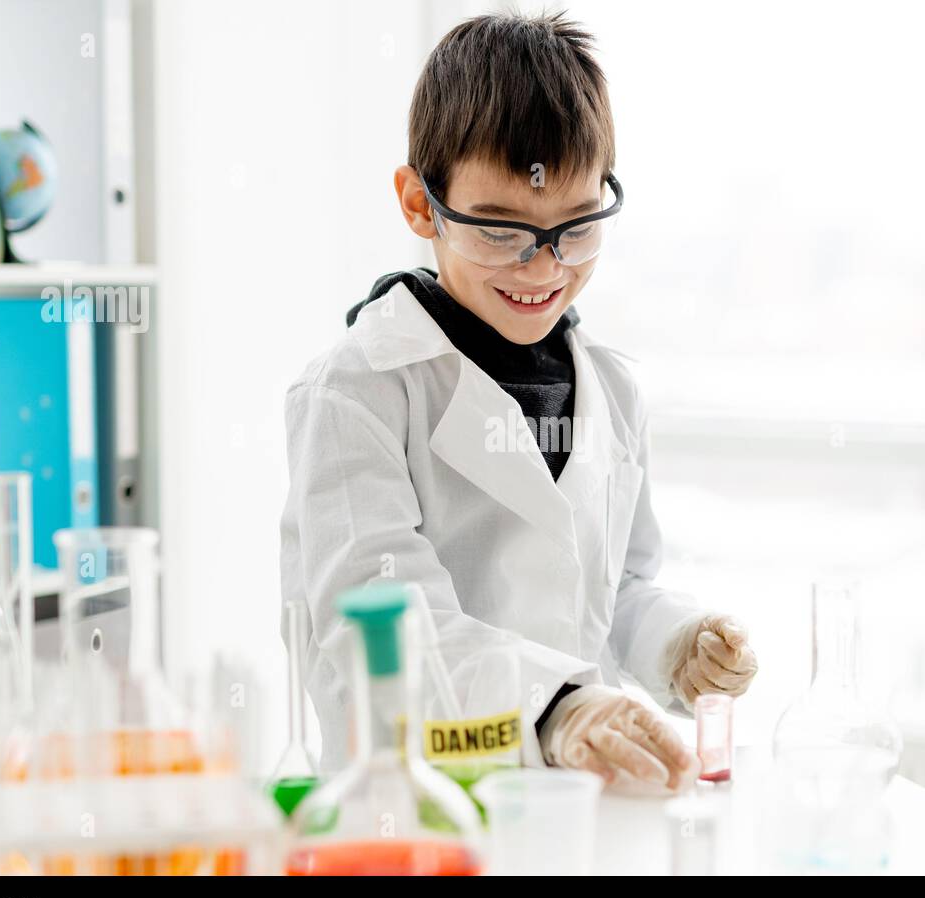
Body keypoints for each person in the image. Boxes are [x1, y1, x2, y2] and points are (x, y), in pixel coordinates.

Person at [280, 12, 756, 790]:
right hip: (415, 813)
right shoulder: (358, 390)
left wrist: (677, 642)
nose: (543, 265)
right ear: (419, 204)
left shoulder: (613, 389)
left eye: (576, 227)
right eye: (500, 229)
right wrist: (555, 708)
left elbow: (620, 588)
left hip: (580, 813)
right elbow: (381, 633)